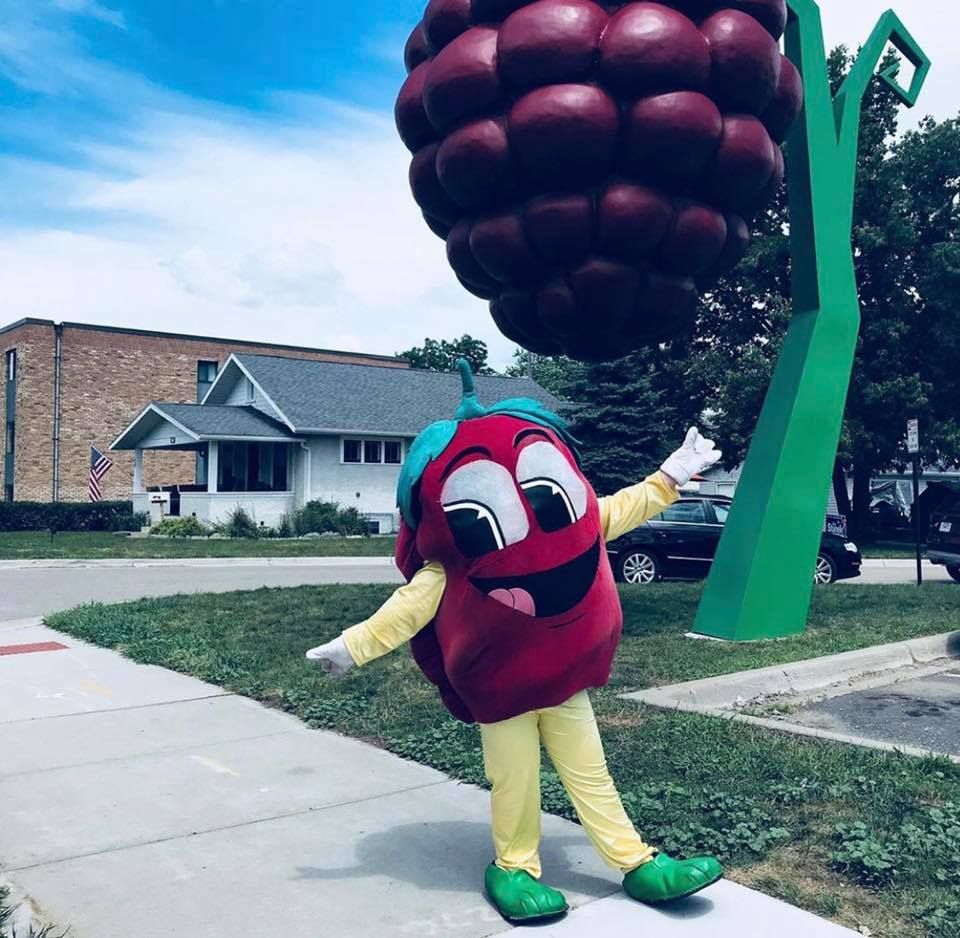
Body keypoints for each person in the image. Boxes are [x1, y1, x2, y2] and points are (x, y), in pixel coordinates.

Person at [307, 361, 723, 924]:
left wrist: (673, 473)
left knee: (590, 772)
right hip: (500, 687)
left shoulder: (583, 520)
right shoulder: (448, 567)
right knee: (516, 779)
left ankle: (636, 861)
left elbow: (627, 506)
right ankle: (514, 866)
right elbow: (406, 609)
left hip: (562, 675)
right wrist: (350, 647)